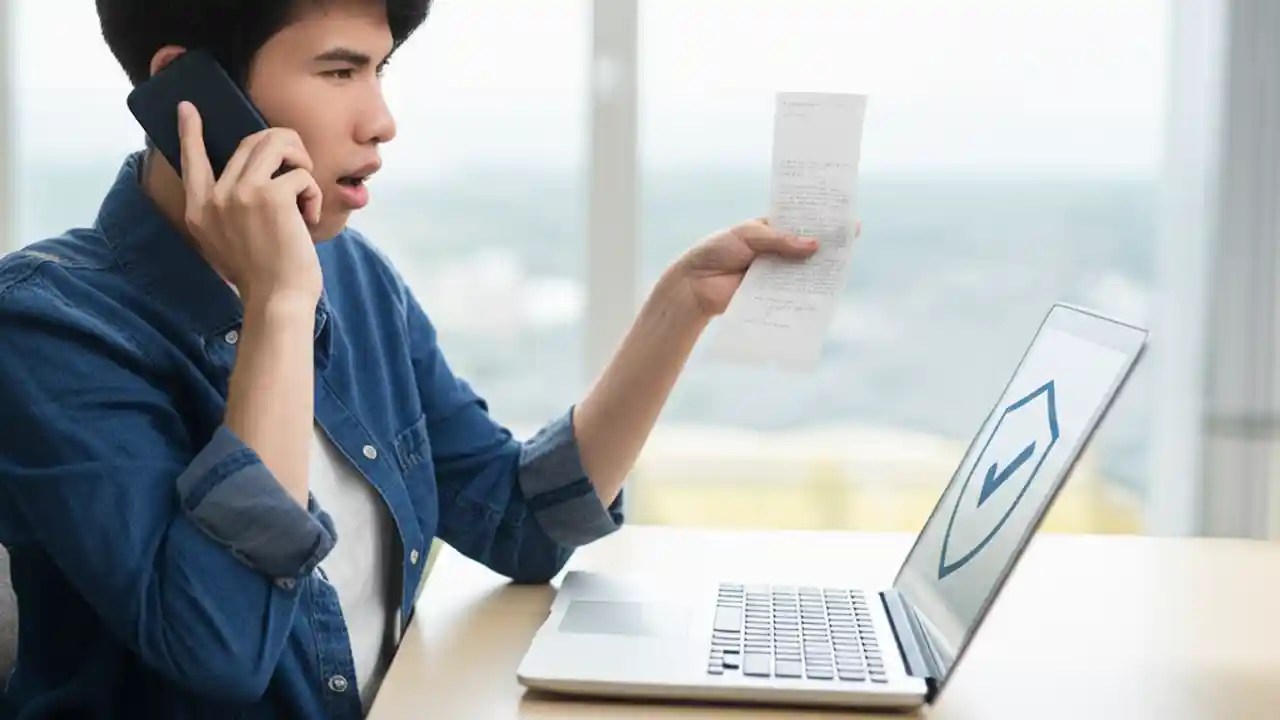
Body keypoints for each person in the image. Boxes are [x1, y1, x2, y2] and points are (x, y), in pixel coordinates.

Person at [0, 0, 825, 717]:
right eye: (338, 72)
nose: (380, 119)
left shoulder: (353, 279)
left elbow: (520, 523)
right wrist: (279, 305)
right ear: (188, 93)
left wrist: (680, 305)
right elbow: (220, 648)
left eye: (380, 70)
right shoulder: (49, 326)